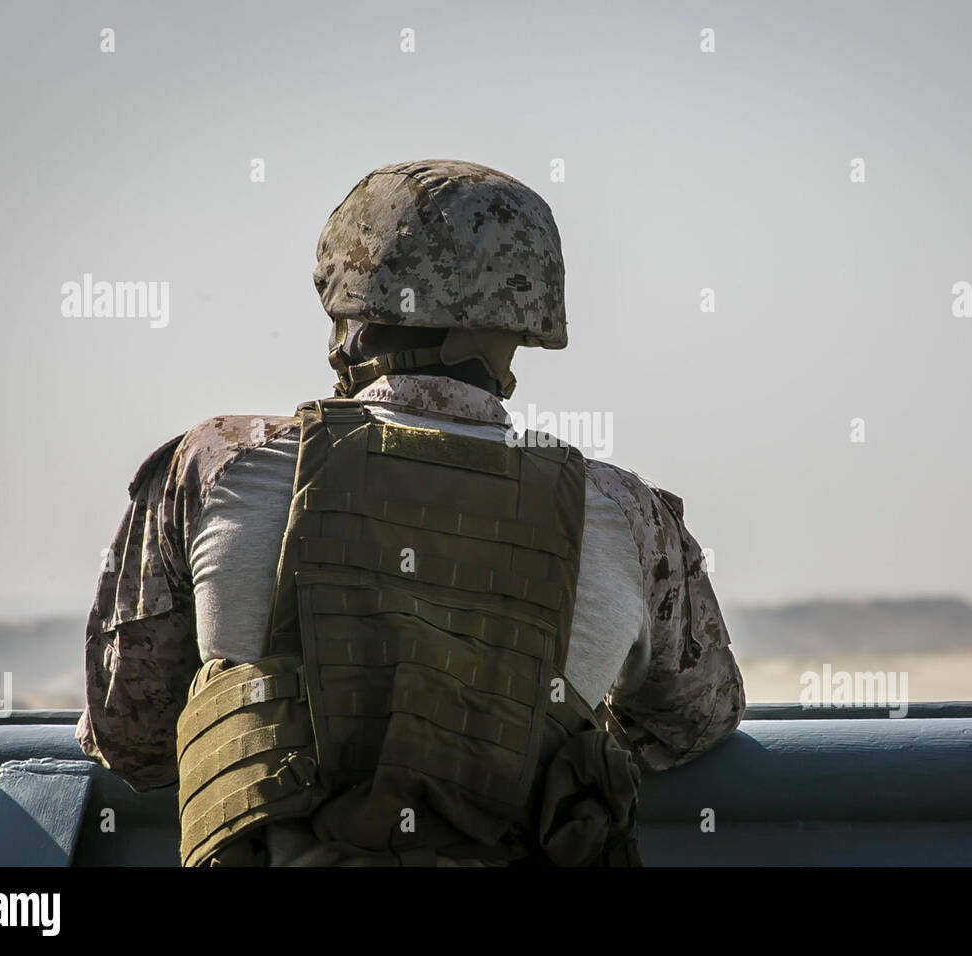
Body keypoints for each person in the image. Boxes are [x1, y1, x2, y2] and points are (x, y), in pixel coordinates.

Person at [75, 159, 745, 866]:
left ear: (353, 312)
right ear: (524, 321)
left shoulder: (215, 464)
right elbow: (693, 721)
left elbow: (135, 737)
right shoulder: (629, 518)